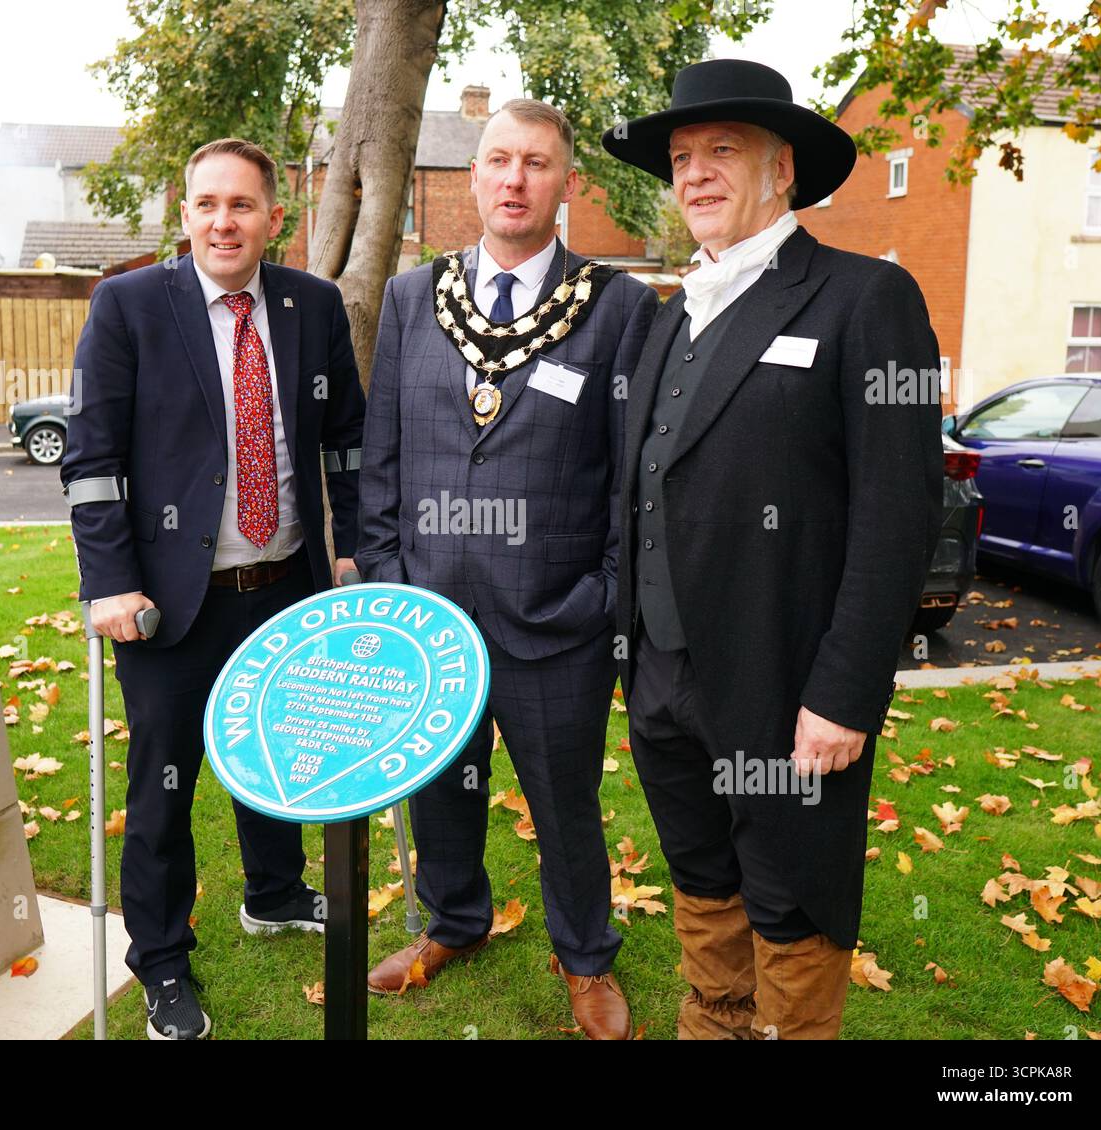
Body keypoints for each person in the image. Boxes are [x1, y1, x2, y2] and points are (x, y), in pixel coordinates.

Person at [601, 59, 943, 1039]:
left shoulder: (868, 298)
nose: (695, 174)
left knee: (791, 894)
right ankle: (714, 1021)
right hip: (663, 676)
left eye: (721, 151)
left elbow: (899, 510)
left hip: (790, 683)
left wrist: (844, 689)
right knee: (702, 874)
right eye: (679, 158)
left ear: (781, 169)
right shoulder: (670, 316)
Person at [356, 99, 658, 1040]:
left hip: (555, 617)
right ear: (474, 177)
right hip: (432, 611)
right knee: (442, 786)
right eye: (499, 160)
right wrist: (386, 581)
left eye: (536, 164)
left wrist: (605, 592)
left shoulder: (618, 308)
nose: (515, 179)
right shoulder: (414, 296)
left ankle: (585, 957)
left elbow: (633, 475)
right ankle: (456, 920)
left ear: (566, 183)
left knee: (565, 799)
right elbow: (384, 458)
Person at [62, 138, 366, 1040]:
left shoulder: (313, 306)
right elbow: (91, 458)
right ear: (185, 214)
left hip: (288, 586)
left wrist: (356, 548)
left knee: (276, 757)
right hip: (167, 602)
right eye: (206, 205)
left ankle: (273, 894)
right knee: (165, 784)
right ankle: (160, 962)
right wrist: (111, 581)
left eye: (242, 205)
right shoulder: (127, 306)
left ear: (276, 217)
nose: (223, 221)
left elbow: (346, 439)